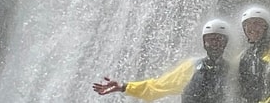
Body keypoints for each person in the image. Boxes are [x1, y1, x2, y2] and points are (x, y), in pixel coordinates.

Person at [93, 19, 232, 103]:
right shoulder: (190, 67)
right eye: (210, 39)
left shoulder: (234, 69)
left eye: (219, 40)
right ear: (204, 42)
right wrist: (123, 86)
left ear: (225, 43)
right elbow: (156, 87)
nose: (214, 44)